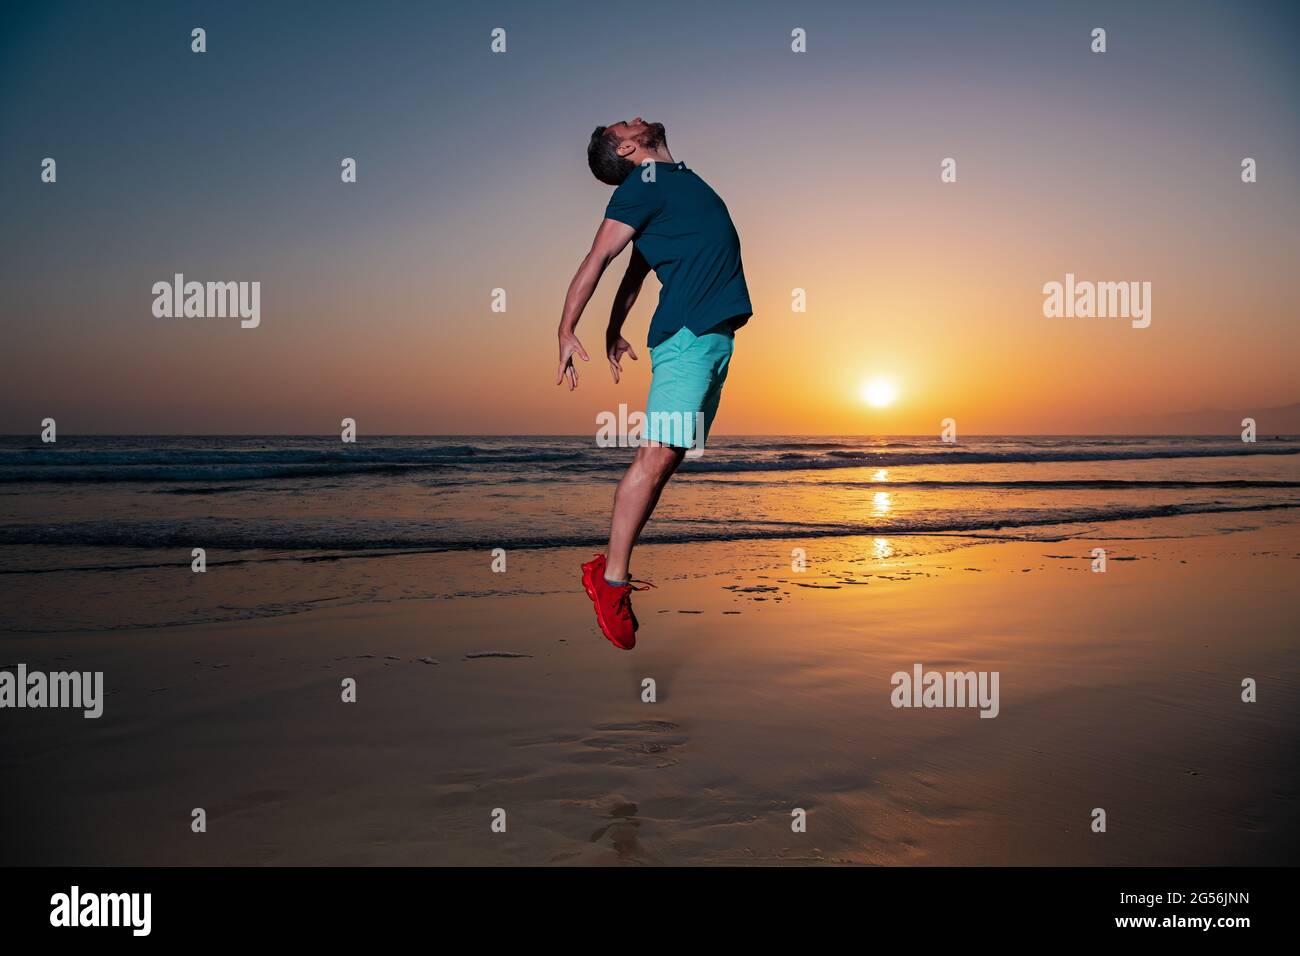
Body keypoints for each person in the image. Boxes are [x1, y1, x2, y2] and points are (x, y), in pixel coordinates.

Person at [556, 118, 752, 649]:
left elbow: (635, 272)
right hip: (688, 336)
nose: (635, 116)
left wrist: (614, 329)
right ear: (627, 147)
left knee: (670, 456)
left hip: (711, 340)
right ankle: (610, 581)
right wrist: (566, 328)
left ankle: (611, 571)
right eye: (626, 124)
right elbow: (599, 257)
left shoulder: (671, 187)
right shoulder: (640, 187)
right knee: (654, 454)